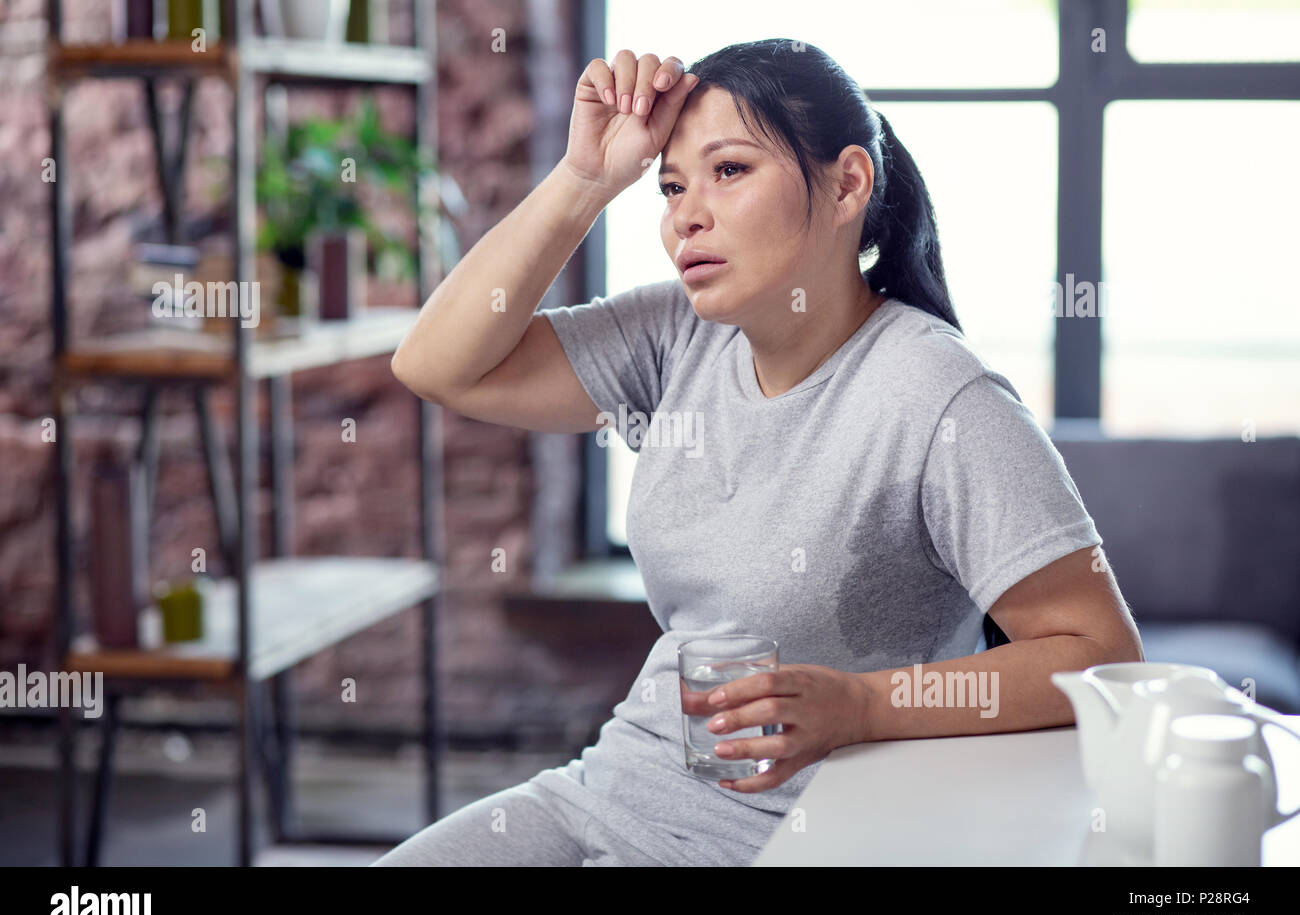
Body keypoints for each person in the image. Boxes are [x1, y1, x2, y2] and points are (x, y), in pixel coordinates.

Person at [378, 39, 1143, 867]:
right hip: (611, 794)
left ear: (849, 183)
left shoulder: (937, 395)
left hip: (807, 835)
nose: (684, 214)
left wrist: (858, 705)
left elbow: (1098, 655)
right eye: (671, 186)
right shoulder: (679, 338)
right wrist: (587, 182)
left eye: (729, 171)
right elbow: (435, 365)